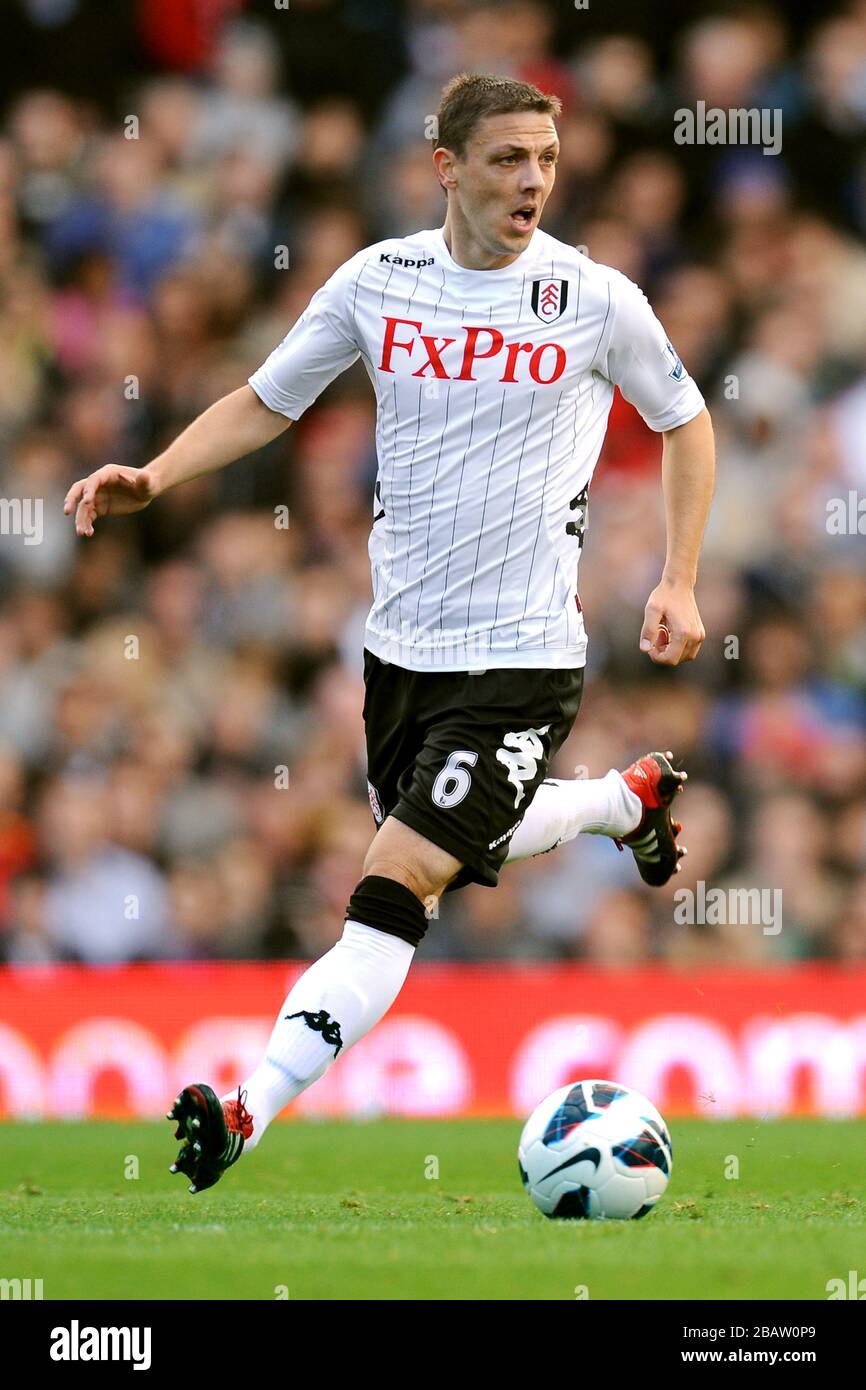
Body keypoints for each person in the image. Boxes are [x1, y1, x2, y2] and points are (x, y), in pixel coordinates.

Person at [64, 73, 714, 1193]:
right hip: (397, 653)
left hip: (522, 655)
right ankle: (623, 802)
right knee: (470, 845)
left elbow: (684, 420)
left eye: (547, 162)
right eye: (507, 158)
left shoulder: (593, 297)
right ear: (445, 168)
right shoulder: (378, 282)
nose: (532, 182)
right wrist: (158, 473)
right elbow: (270, 398)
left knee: (396, 882)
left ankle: (245, 1106)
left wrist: (679, 578)